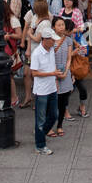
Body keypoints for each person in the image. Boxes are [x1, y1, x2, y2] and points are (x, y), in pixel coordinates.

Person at [30, 27, 61, 155]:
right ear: (45, 40)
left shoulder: (51, 50)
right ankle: (40, 145)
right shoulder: (37, 53)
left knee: (54, 115)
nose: (54, 42)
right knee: (41, 119)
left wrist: (55, 80)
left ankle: (40, 134)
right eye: (52, 40)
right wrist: (52, 74)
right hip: (42, 91)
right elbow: (34, 73)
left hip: (51, 88)